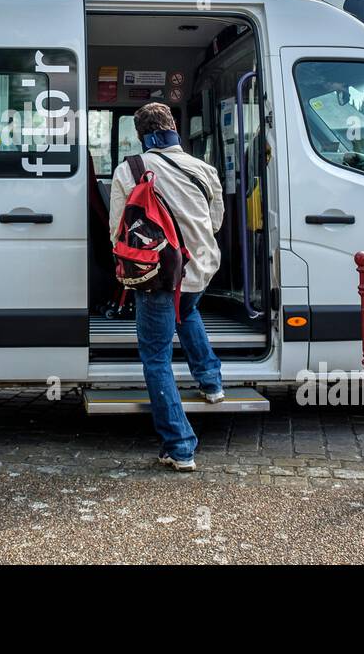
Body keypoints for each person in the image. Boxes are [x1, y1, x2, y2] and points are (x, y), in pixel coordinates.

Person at [108, 102, 225, 471]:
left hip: (158, 277)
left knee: (156, 358)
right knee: (187, 311)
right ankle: (211, 382)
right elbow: (216, 223)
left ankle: (180, 446)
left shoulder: (129, 170)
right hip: (200, 269)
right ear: (174, 128)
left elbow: (117, 233)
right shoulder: (204, 169)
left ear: (141, 136)